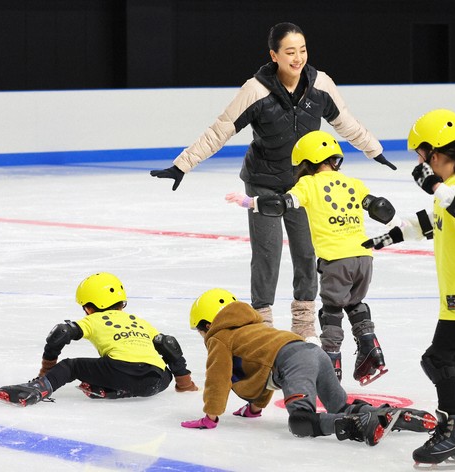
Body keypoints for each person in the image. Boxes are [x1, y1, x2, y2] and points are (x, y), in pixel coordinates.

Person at [149, 22, 396, 343]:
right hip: (263, 181)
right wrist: (182, 165)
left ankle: (303, 322)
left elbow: (346, 122)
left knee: (307, 253)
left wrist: (374, 149)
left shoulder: (321, 84)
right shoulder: (256, 90)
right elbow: (220, 129)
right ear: (274, 55)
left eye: (302, 50)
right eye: (290, 52)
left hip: (304, 185)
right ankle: (262, 322)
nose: (298, 58)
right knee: (267, 253)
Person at [362, 109, 455, 465]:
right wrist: (389, 237)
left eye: (420, 156)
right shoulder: (452, 191)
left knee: (437, 360)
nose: (419, 164)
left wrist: (435, 186)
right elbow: (432, 221)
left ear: (434, 155)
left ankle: (452, 431)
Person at [224, 130, 394, 385]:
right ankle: (371, 346)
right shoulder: (354, 183)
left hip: (337, 261)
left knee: (331, 312)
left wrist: (250, 202)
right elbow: (380, 207)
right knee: (354, 302)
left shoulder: (308, 185)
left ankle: (330, 365)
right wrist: (397, 222)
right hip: (364, 258)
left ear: (306, 163)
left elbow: (279, 204)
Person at [179, 288, 435, 446]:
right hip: (313, 353)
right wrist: (254, 409)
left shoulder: (220, 337)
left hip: (293, 362)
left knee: (301, 421)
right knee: (340, 405)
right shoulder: (255, 328)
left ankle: (357, 424)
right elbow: (263, 369)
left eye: (201, 331)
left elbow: (218, 378)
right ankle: (389, 415)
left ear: (208, 324)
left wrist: (210, 416)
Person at [0, 272, 198, 406]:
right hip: (159, 380)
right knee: (151, 366)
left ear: (89, 308)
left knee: (71, 366)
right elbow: (168, 345)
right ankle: (120, 391)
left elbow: (61, 333)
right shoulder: (138, 321)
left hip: (120, 371)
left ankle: (39, 389)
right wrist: (184, 382)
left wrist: (47, 371)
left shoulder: (94, 319)